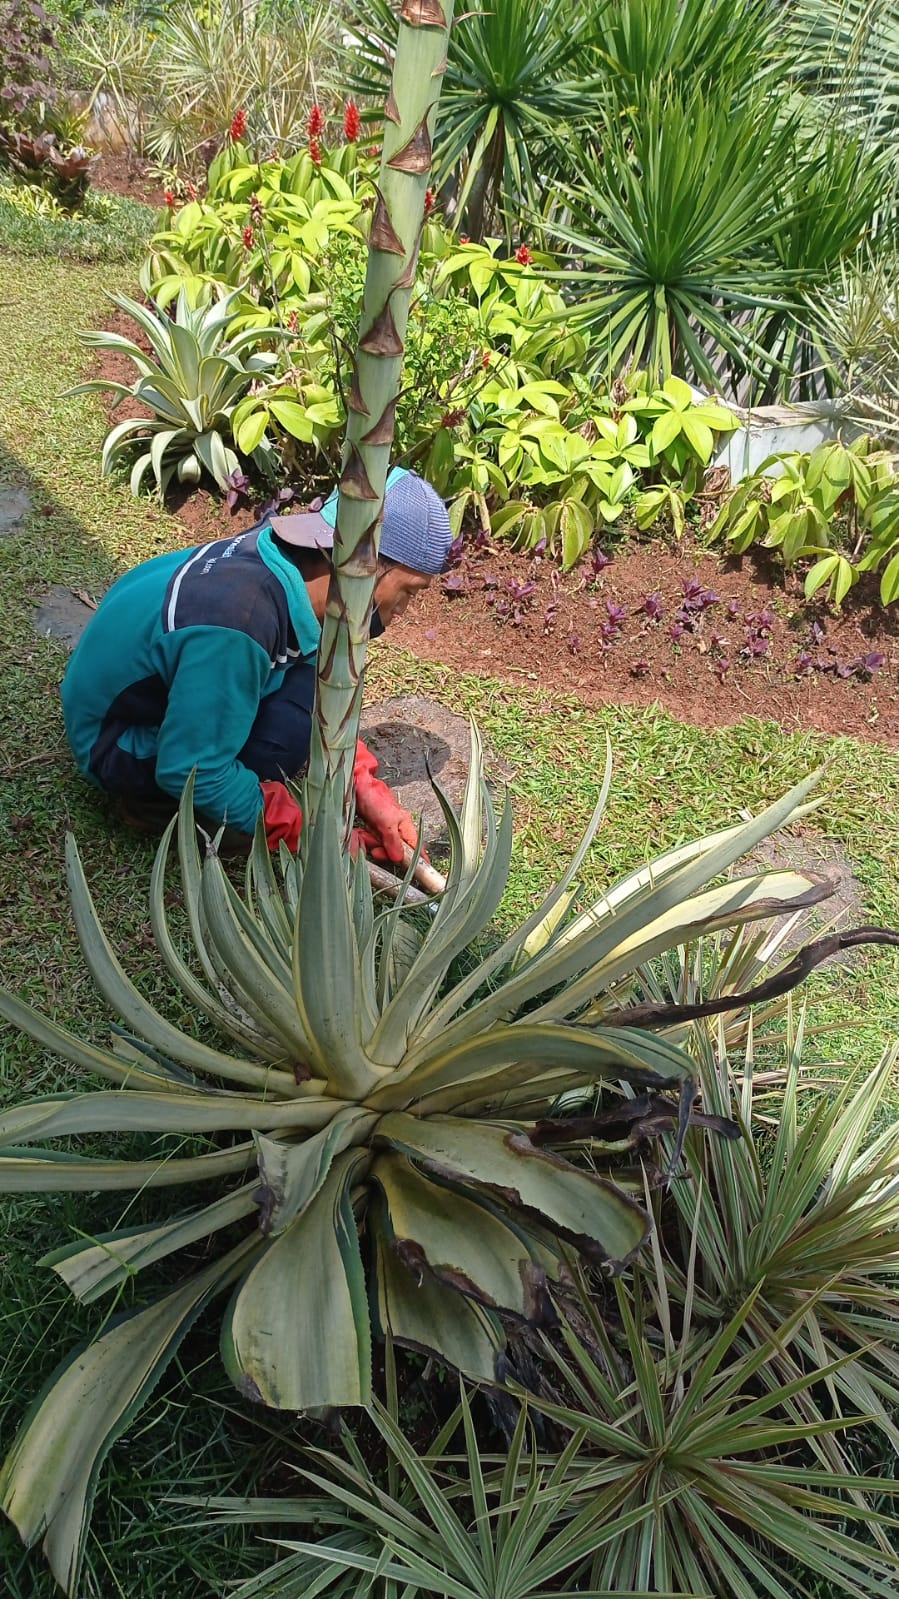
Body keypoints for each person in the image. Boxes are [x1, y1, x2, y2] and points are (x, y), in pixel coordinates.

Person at [61, 467, 453, 860]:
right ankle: (154, 808)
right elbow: (194, 770)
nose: (404, 610)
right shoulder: (238, 623)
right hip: (114, 741)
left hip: (160, 692)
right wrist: (305, 834)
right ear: (360, 565)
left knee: (298, 708)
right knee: (274, 748)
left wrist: (366, 788)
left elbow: (321, 686)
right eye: (409, 590)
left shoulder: (295, 567)